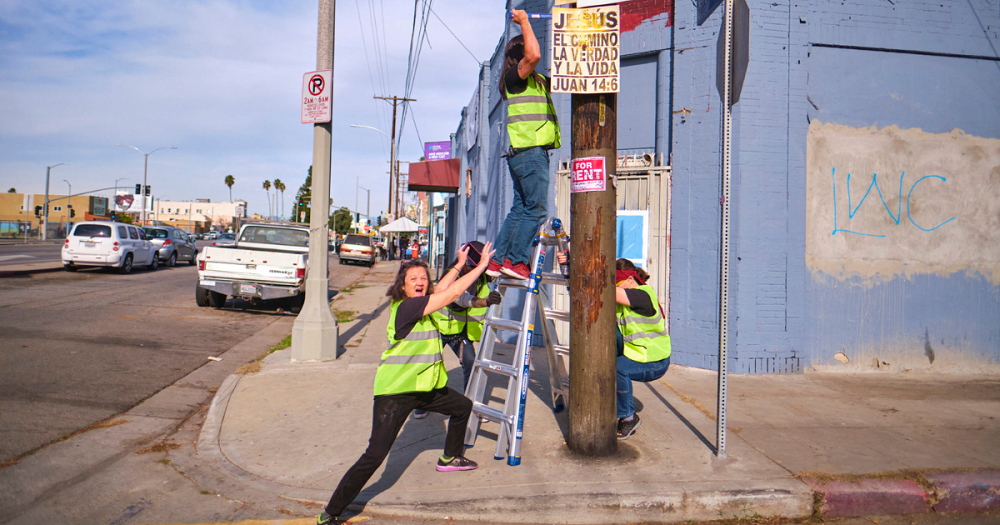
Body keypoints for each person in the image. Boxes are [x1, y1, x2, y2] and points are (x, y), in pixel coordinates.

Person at [318, 243, 496, 525]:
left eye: (423, 278)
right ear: (402, 286)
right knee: (375, 455)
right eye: (413, 279)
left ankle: (450, 457)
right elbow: (451, 293)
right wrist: (481, 268)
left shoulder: (424, 303)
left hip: (424, 389)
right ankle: (331, 511)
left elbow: (442, 290)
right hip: (396, 393)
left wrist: (460, 264)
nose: (420, 282)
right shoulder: (407, 307)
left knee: (462, 406)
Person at [486, 9, 561, 281]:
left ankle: (497, 260)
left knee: (521, 209)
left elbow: (561, 81)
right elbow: (534, 55)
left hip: (524, 154)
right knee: (537, 209)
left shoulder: (533, 82)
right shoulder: (513, 79)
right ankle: (516, 260)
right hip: (529, 153)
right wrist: (526, 23)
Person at [414, 241, 503, 419]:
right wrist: (485, 301)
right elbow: (461, 299)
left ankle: (471, 403)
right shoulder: (452, 273)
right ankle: (422, 403)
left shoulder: (482, 275)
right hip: (438, 329)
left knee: (470, 363)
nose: (475, 270)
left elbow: (504, 272)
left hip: (459, 331)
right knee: (428, 365)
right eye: (473, 266)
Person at [613, 259, 671, 440]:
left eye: (617, 282)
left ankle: (628, 417)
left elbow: (603, 289)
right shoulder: (625, 298)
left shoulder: (642, 294)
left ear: (630, 279)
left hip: (655, 361)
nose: (616, 287)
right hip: (638, 353)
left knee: (618, 369)